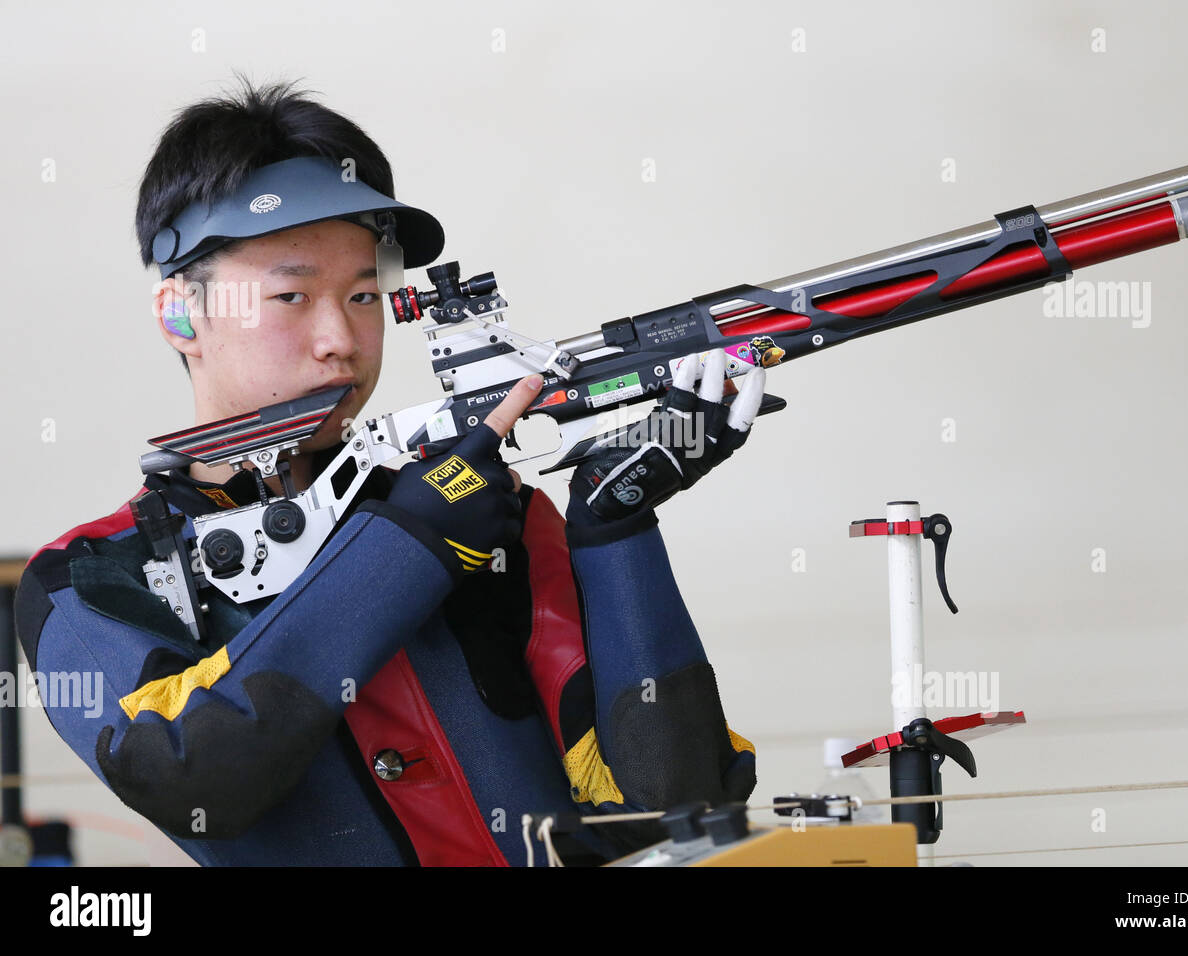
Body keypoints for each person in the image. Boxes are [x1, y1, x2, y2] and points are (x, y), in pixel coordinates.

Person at [14, 77, 763, 865]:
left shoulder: (488, 510)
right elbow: (193, 781)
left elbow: (682, 809)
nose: (341, 337)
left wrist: (617, 532)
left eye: (366, 296)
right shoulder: (91, 577)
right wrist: (410, 546)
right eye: (294, 296)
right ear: (179, 314)